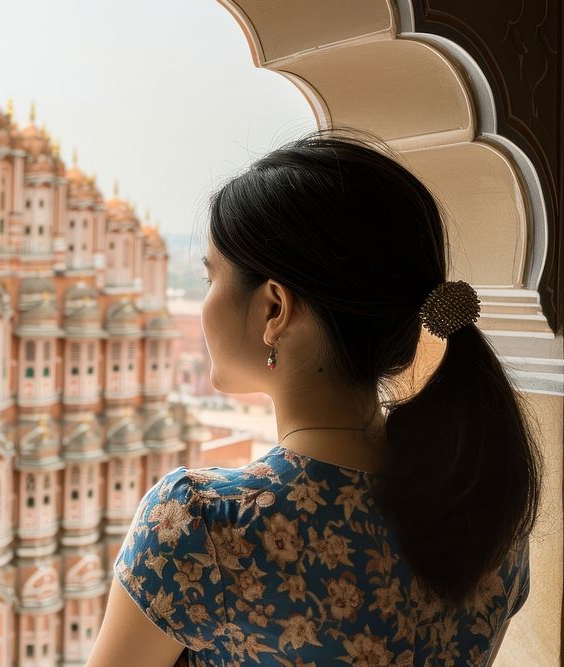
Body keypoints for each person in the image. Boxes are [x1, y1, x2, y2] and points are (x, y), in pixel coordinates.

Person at [86, 128, 543, 666]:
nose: (205, 301)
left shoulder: (204, 528)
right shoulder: (482, 505)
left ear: (274, 309)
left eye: (211, 276)